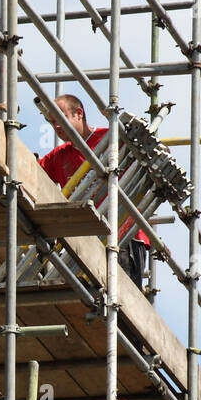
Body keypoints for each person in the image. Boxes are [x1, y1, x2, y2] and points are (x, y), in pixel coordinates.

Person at [39, 93, 150, 289]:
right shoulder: (59, 157)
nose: (56, 127)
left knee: (121, 303)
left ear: (78, 113)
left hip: (124, 236)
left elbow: (152, 155)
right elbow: (29, 173)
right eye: (52, 122)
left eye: (61, 118)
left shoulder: (112, 140)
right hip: (87, 241)